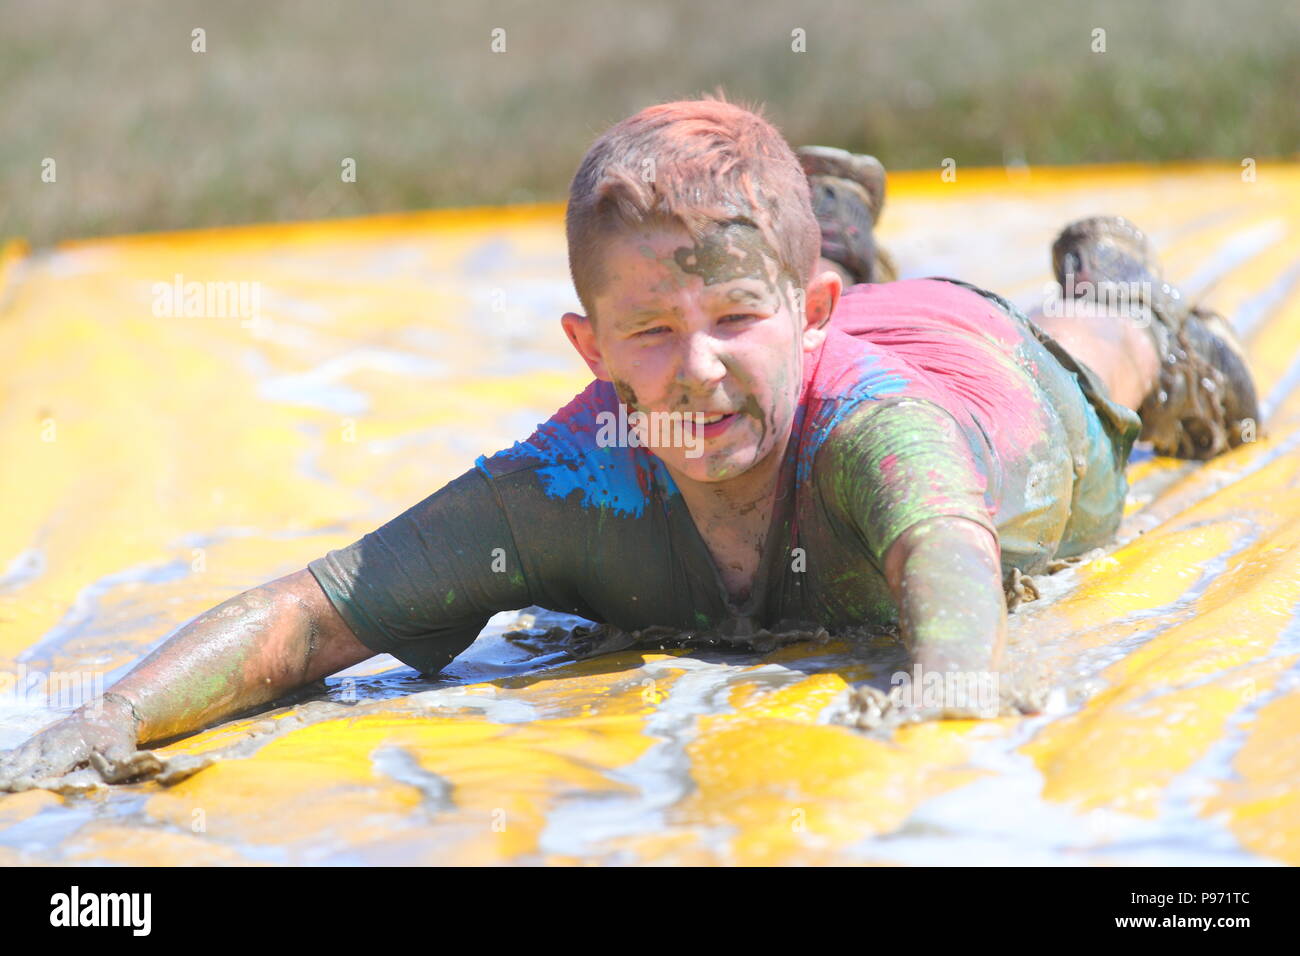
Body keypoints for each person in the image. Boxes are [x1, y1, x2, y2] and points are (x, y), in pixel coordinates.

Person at [0, 96, 1260, 791]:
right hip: (819, 337)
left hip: (978, 367)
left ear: (805, 317)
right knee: (743, 360)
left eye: (729, 319)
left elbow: (953, 588)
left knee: (1103, 362)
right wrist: (106, 717)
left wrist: (947, 691)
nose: (693, 368)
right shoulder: (576, 474)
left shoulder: (891, 444)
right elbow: (323, 608)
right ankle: (823, 230)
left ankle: (1110, 288)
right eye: (648, 330)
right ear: (586, 345)